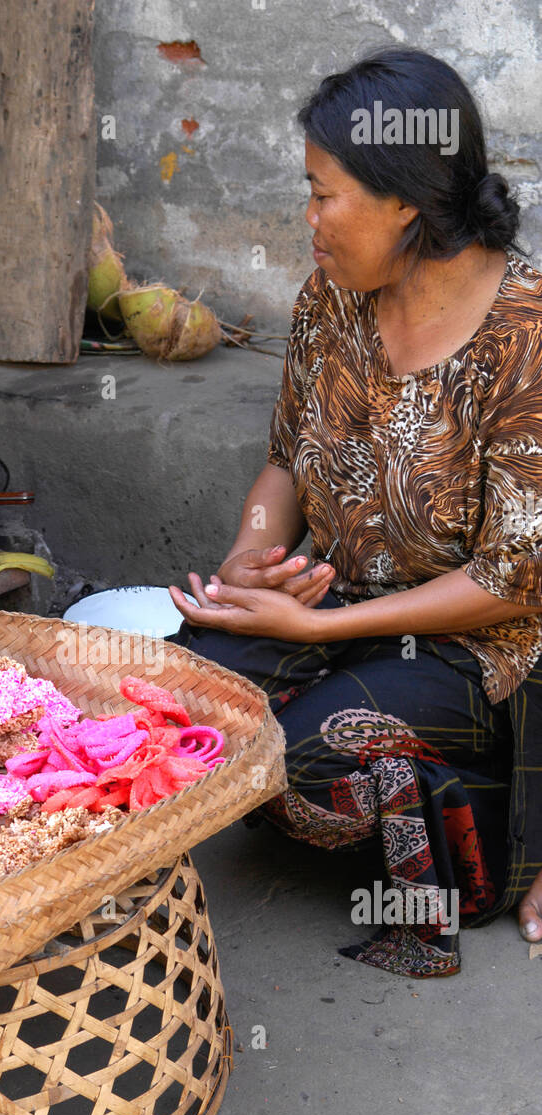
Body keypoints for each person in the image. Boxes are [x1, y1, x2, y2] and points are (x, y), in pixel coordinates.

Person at [170, 46, 542, 978]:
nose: (309, 221)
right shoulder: (331, 299)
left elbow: (511, 578)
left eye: (323, 194)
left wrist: (309, 623)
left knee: (286, 762)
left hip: (479, 647)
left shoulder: (526, 339)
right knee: (178, 705)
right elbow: (286, 460)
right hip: (335, 606)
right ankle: (374, 760)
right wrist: (249, 564)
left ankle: (495, 826)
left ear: (405, 197)